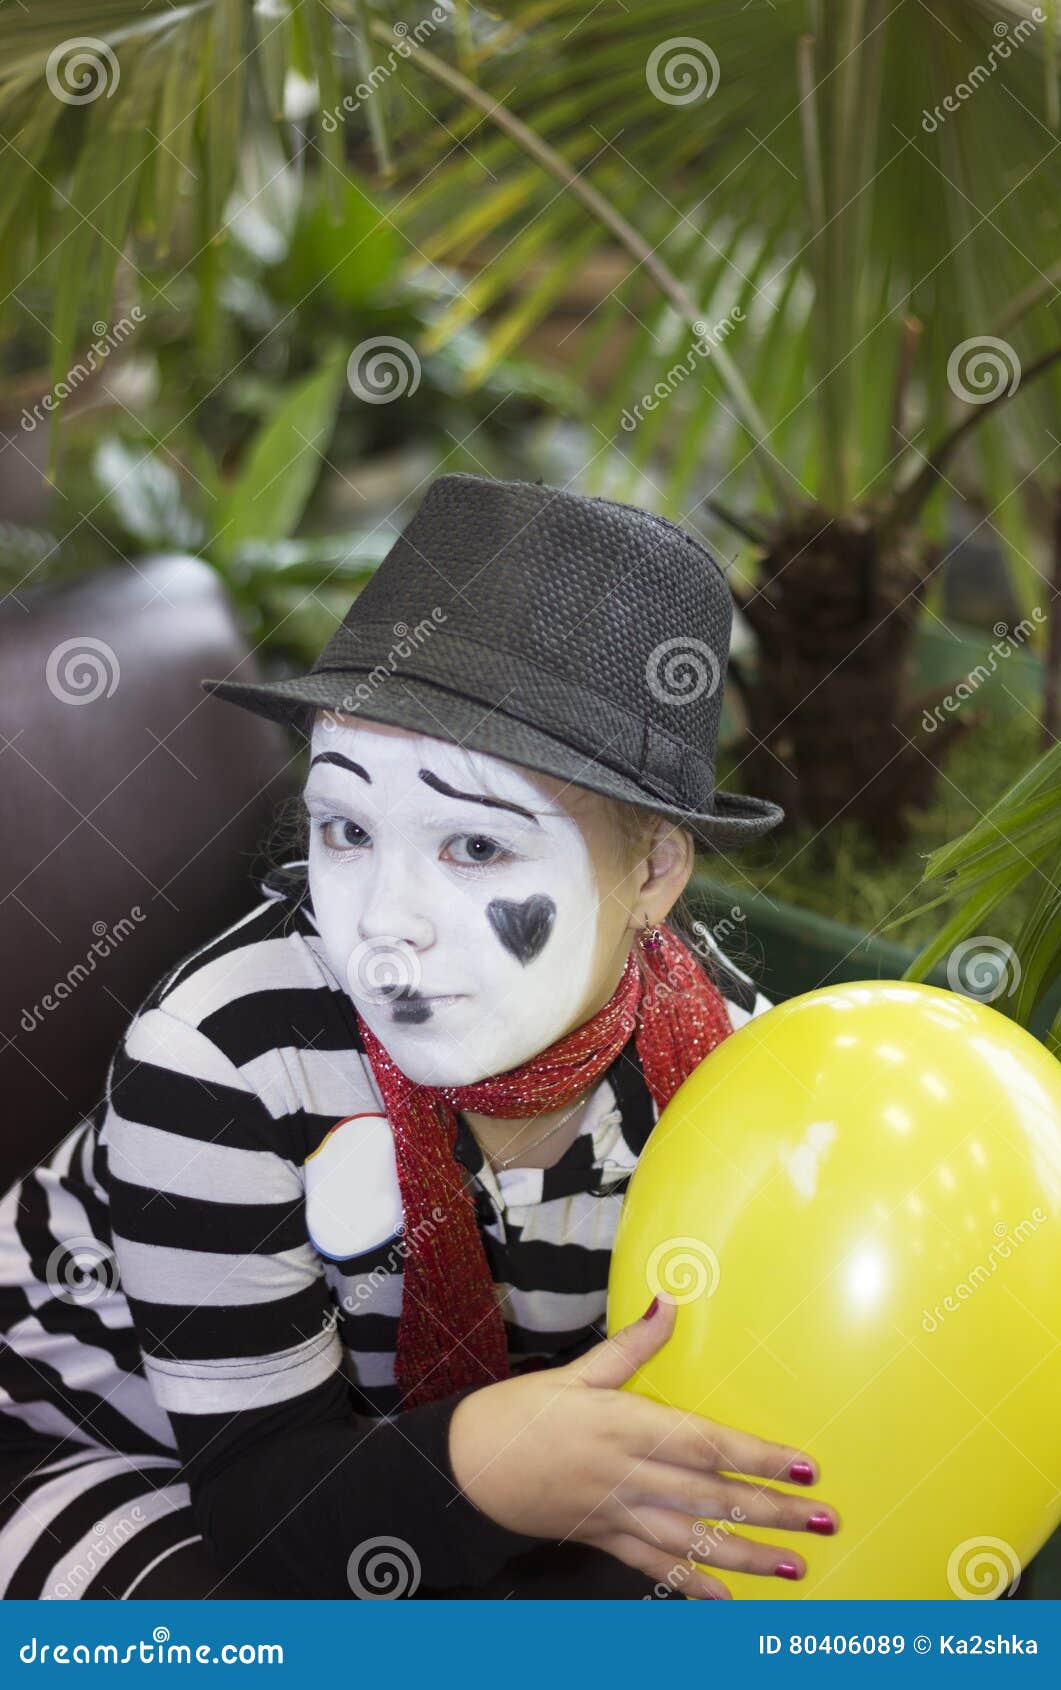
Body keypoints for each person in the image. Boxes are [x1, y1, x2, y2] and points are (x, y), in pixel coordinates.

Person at [0, 473, 839, 1600]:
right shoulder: (218, 1060)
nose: (384, 920)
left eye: (476, 846)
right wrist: (489, 1468)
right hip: (88, 1441)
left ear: (651, 871)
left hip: (424, 1468)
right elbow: (262, 1516)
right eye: (345, 827)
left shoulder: (733, 1071)